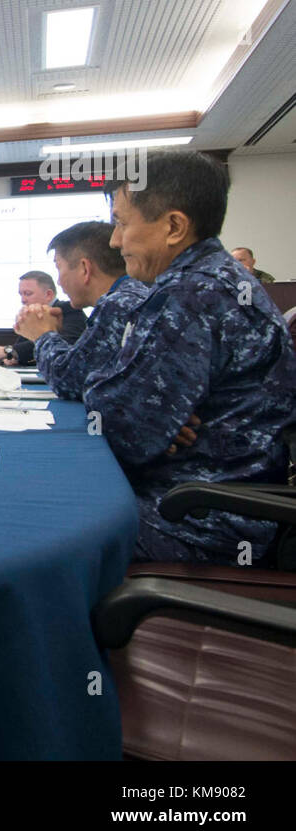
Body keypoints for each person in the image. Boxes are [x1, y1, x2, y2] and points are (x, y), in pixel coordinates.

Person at [84, 149, 296, 564]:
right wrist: (146, 416)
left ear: (174, 227)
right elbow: (129, 412)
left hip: (196, 519)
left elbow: (122, 426)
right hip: (209, 502)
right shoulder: (213, 281)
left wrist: (134, 411)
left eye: (122, 223)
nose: (114, 240)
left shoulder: (192, 296)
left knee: (35, 524)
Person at [13, 221, 150, 400]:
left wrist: (42, 335)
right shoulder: (129, 295)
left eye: (59, 267)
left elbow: (69, 381)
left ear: (84, 269)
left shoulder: (118, 304)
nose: (59, 282)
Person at [0, 270, 87, 366]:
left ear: (48, 295)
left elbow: (62, 345)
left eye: (28, 294)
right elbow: (27, 352)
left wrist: (7, 351)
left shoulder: (69, 311)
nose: (23, 300)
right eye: (20, 294)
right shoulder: (32, 316)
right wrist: (14, 358)